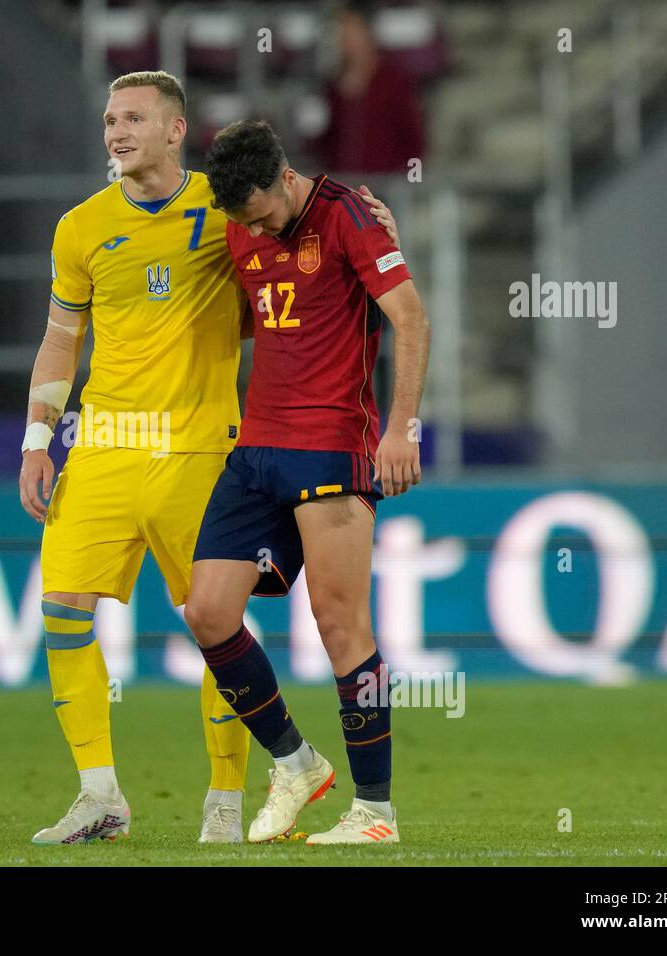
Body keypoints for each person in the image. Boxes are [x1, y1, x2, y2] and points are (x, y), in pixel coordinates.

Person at [18, 71, 400, 844]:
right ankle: (101, 796)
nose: (116, 132)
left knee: (212, 620)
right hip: (101, 447)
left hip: (201, 444)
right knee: (62, 611)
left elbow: (305, 262)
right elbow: (64, 334)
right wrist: (37, 437)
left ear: (174, 130)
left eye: (133, 118)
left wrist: (370, 218)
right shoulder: (80, 228)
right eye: (108, 120)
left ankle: (225, 803)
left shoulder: (225, 206)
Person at [186, 118, 430, 844]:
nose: (251, 228)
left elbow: (411, 322)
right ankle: (294, 762)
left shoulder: (350, 217)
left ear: (283, 179)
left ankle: (375, 812)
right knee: (207, 612)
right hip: (257, 449)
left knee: (339, 623)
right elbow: (266, 316)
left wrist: (401, 427)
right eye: (240, 219)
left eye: (259, 211)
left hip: (332, 444)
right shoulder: (238, 225)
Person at [309, 0, 426, 176]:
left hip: (383, 189)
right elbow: (323, 143)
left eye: (351, 31)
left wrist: (399, 179)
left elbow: (414, 141)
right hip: (343, 190)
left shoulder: (394, 83)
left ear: (367, 33)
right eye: (341, 32)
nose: (344, 39)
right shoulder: (331, 88)